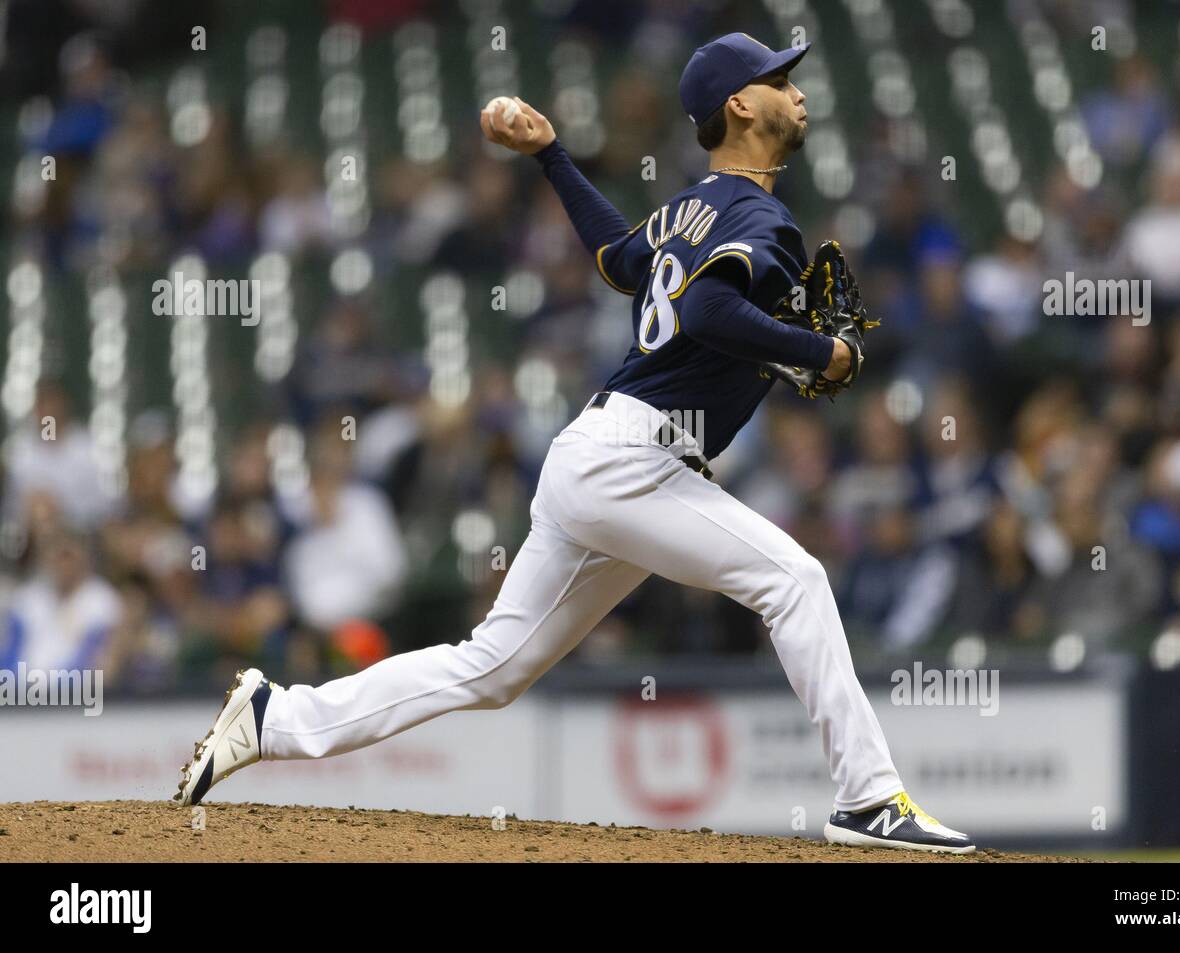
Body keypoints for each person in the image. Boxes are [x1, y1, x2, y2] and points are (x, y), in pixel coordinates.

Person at [174, 33, 975, 854]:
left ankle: (274, 719)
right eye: (779, 78)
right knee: (797, 580)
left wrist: (552, 154)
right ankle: (870, 796)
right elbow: (703, 315)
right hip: (633, 460)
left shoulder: (690, 209)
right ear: (741, 104)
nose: (797, 89)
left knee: (491, 667)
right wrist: (822, 351)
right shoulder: (758, 213)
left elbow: (618, 260)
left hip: (605, 458)